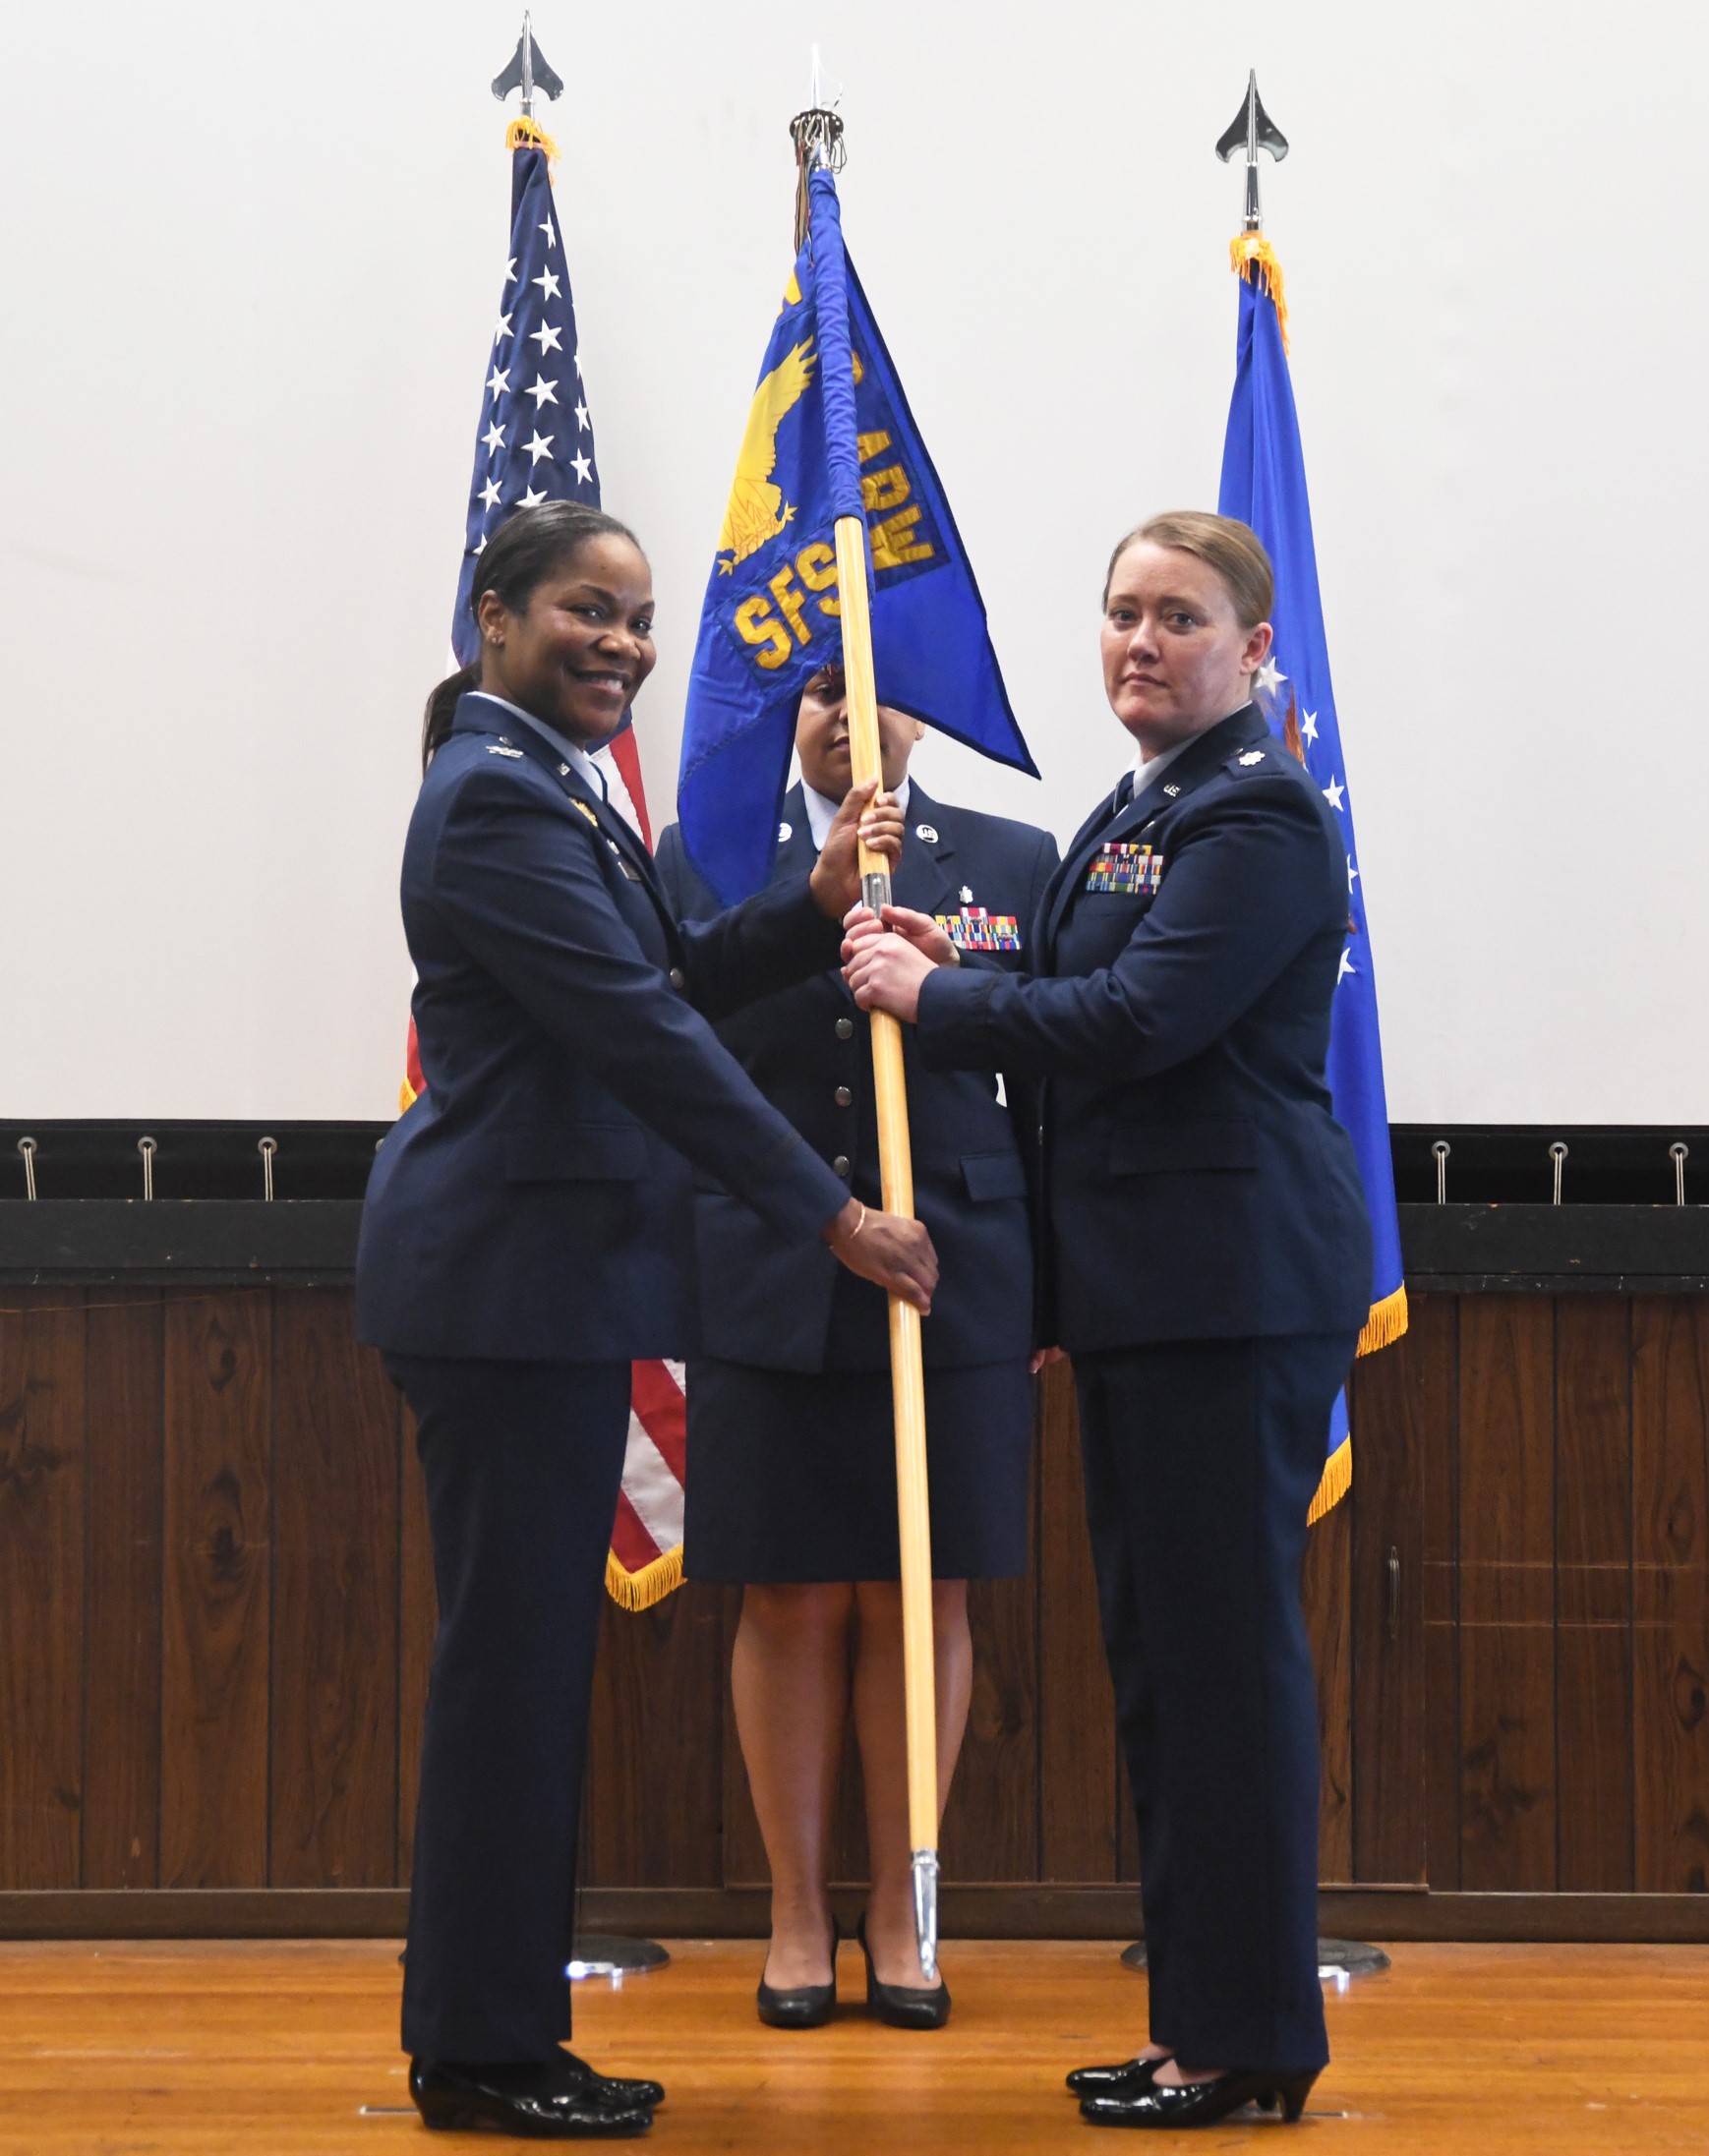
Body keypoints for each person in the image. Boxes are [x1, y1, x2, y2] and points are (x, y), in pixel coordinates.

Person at [355, 501, 937, 2140]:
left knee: (528, 1673)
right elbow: (643, 1040)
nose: (620, 642)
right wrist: (828, 1214)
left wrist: (814, 904)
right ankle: (478, 2046)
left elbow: (671, 972)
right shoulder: (490, 799)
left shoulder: (545, 787)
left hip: (540, 1283)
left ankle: (496, 2027)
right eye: (582, 611)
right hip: (501, 1286)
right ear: (493, 618)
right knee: (510, 1676)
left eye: (638, 615)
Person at [842, 512, 1372, 2129]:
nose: (1139, 642)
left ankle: (1248, 2041)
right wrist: (959, 955)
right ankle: (1193, 2024)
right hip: (1150, 1298)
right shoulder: (1133, 810)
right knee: (1165, 1668)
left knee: (1222, 1673)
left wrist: (941, 1001)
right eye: (1120, 613)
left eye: (1180, 618)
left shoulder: (1261, 814)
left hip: (1230, 1289)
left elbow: (1140, 1020)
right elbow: (1076, 985)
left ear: (1253, 650)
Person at [657, 663, 1057, 2030]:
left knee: (920, 1592)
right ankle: (792, 1912)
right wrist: (809, 903)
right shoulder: (705, 856)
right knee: (787, 1595)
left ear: (919, 705)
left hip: (953, 1272)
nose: (845, 715)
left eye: (871, 686)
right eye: (816, 689)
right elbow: (673, 1035)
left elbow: (1049, 1082)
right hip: (769, 1261)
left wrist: (1048, 1290)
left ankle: (901, 1907)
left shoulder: (1010, 855)